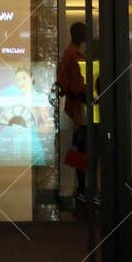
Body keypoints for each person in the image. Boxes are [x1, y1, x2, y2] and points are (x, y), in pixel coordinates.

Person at [55, 21, 94, 207]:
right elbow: (65, 82)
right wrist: (78, 94)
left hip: (79, 105)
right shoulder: (72, 54)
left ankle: (83, 189)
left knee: (82, 145)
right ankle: (82, 190)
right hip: (78, 106)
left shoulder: (74, 52)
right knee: (82, 146)